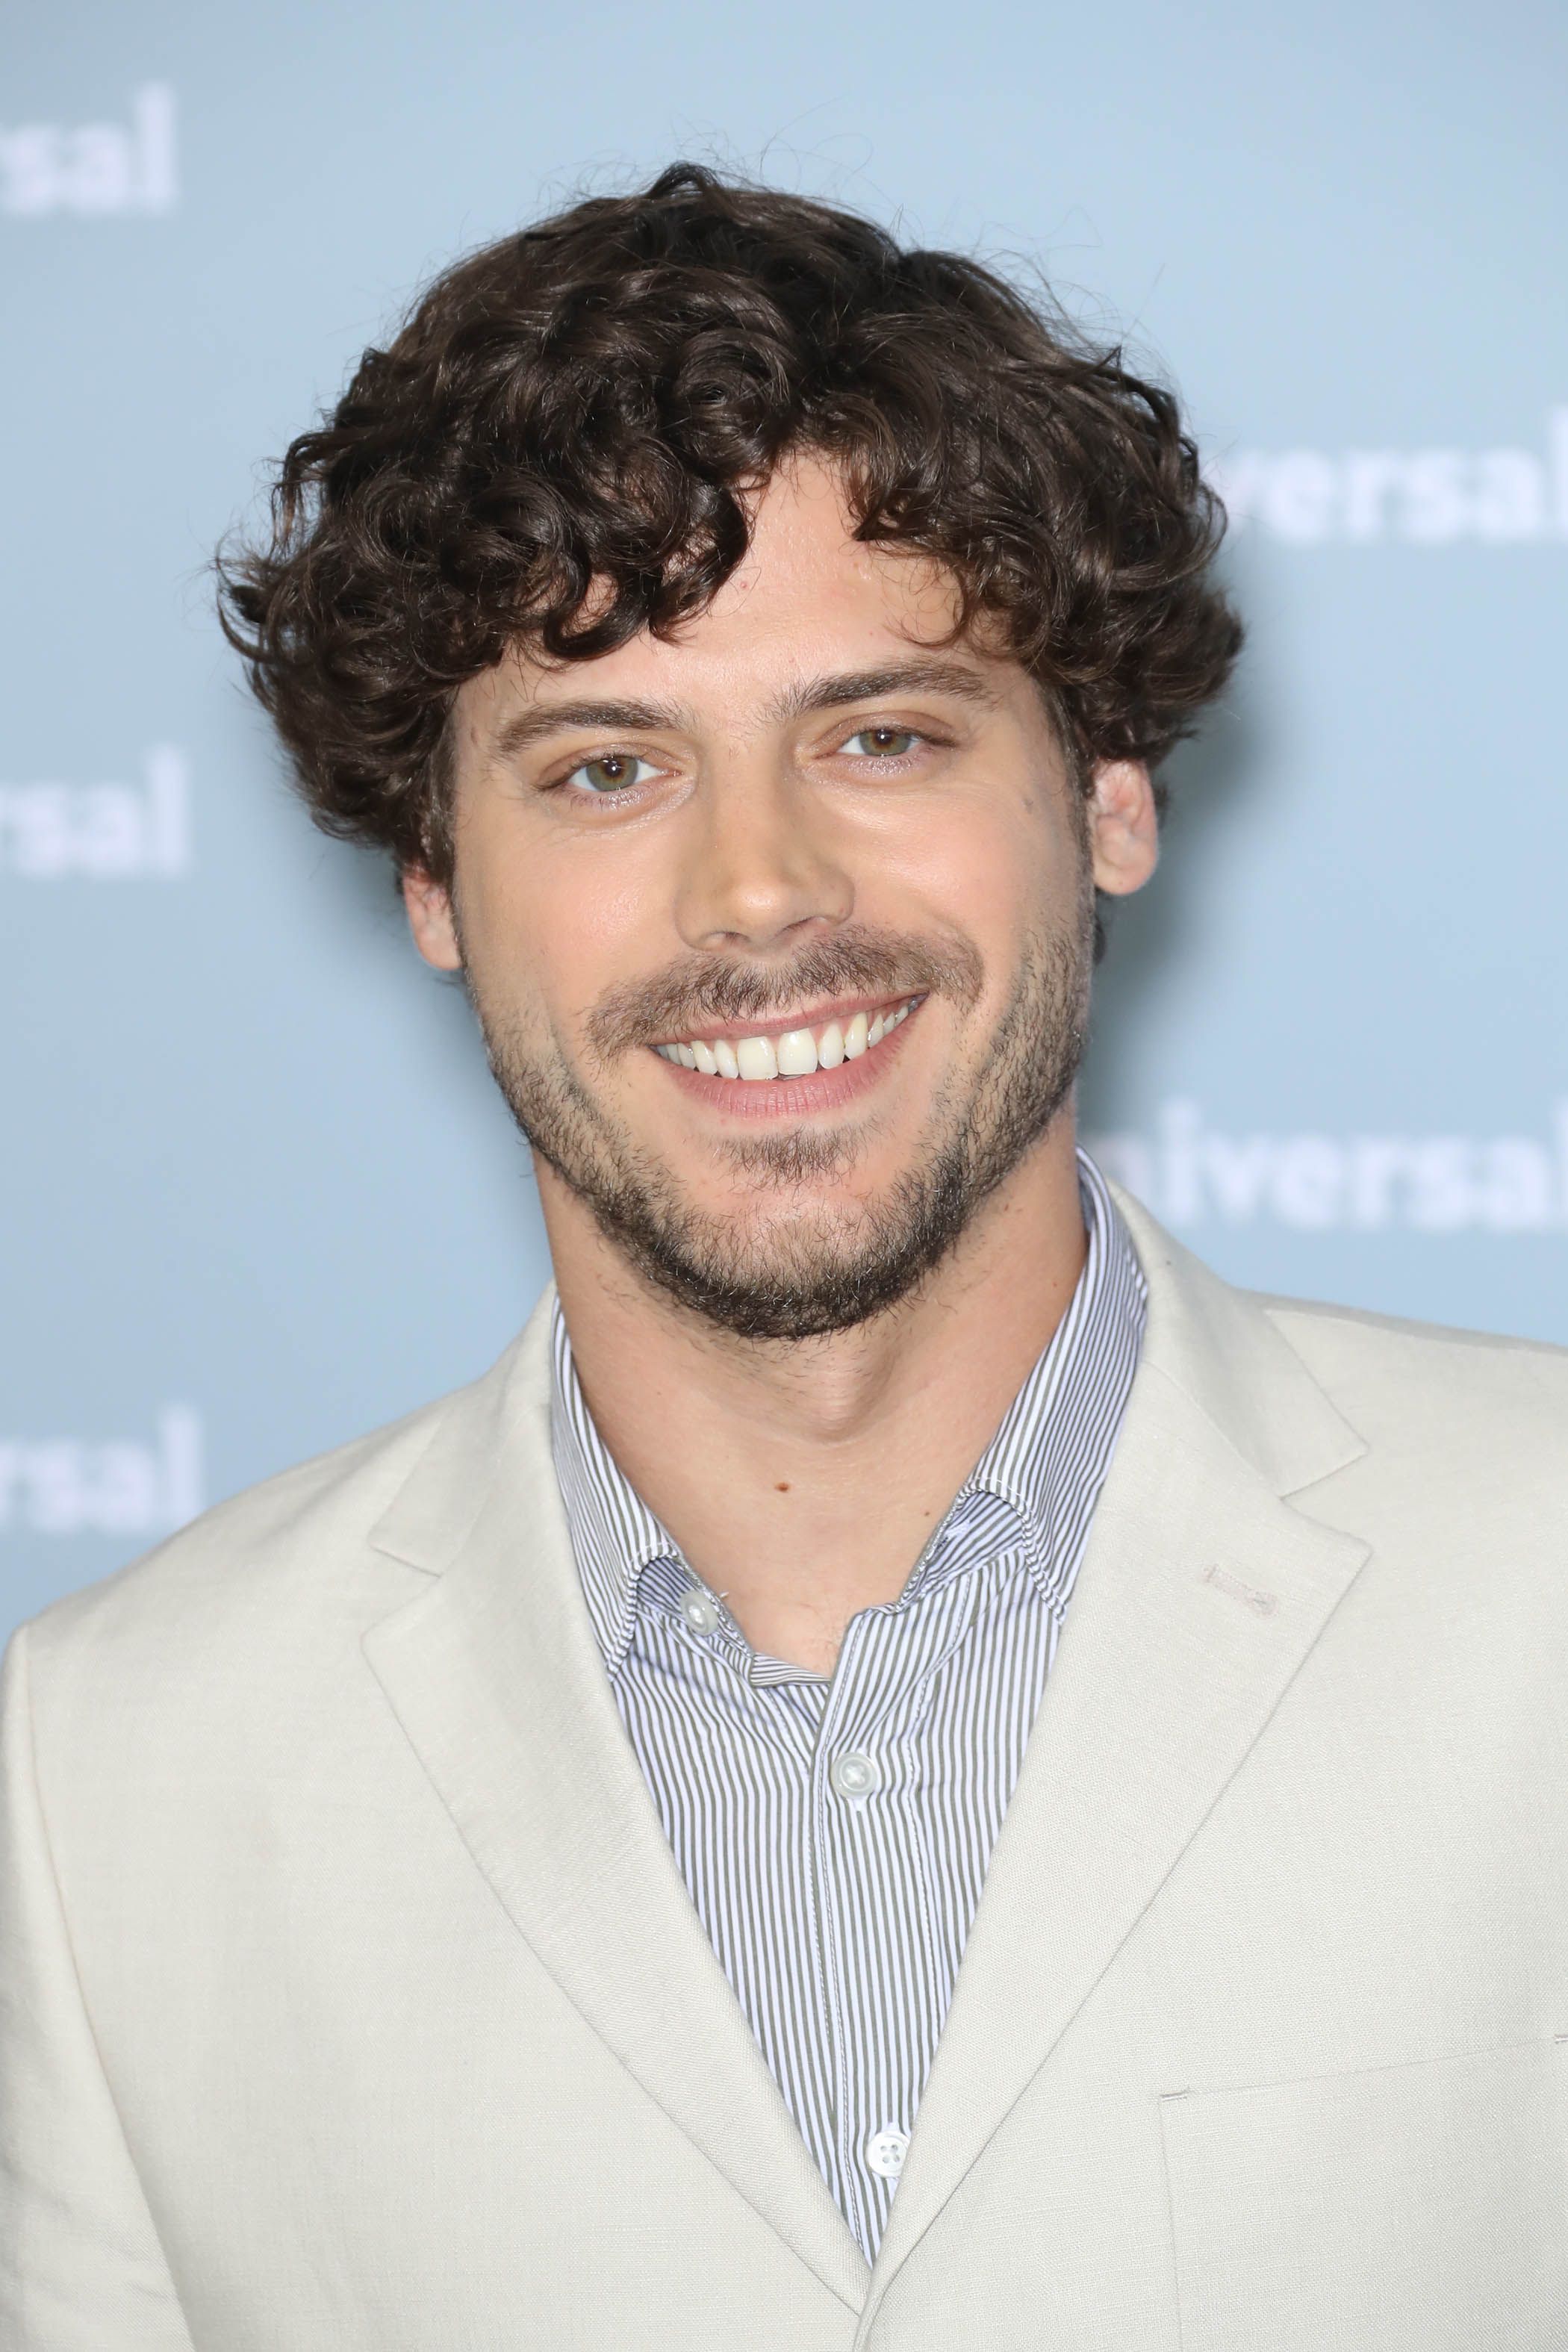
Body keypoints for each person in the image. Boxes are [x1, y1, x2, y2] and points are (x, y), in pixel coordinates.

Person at [2, 164, 1564, 2352]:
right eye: (608, 765)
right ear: (432, 883)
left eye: (881, 735)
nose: (755, 892)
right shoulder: (97, 1785)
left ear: (1107, 793)